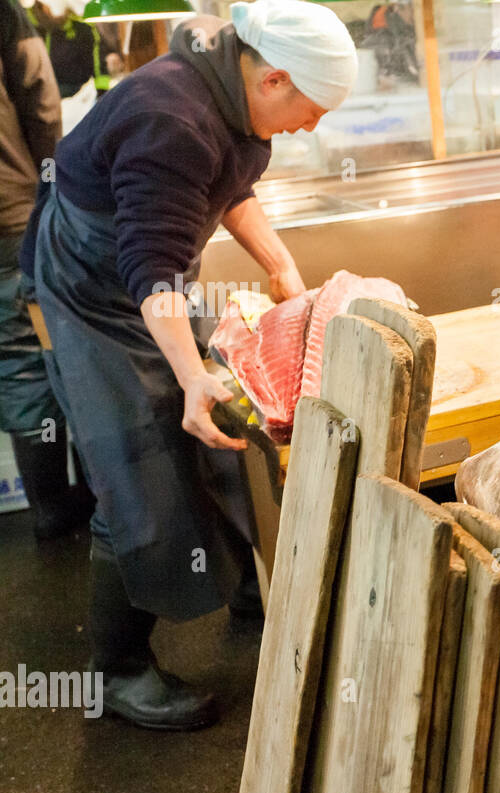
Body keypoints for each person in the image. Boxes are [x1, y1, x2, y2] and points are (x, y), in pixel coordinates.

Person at [22, 0, 357, 731]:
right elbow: (149, 266)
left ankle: (244, 585)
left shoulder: (231, 96)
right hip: (95, 288)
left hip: (153, 283)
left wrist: (282, 269)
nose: (313, 126)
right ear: (273, 79)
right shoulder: (171, 120)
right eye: (312, 108)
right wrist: (189, 376)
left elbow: (228, 186)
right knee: (138, 466)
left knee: (233, 426)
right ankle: (116, 672)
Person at [2, 0, 94, 539]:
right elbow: (40, 101)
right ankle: (91, 501)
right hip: (13, 217)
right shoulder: (6, 15)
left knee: (15, 365)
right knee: (59, 349)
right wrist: (53, 193)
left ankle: (51, 511)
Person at [24, 0, 121, 100]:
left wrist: (102, 92)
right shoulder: (28, 27)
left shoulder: (83, 28)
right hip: (37, 94)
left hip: (78, 94)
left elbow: (97, 62)